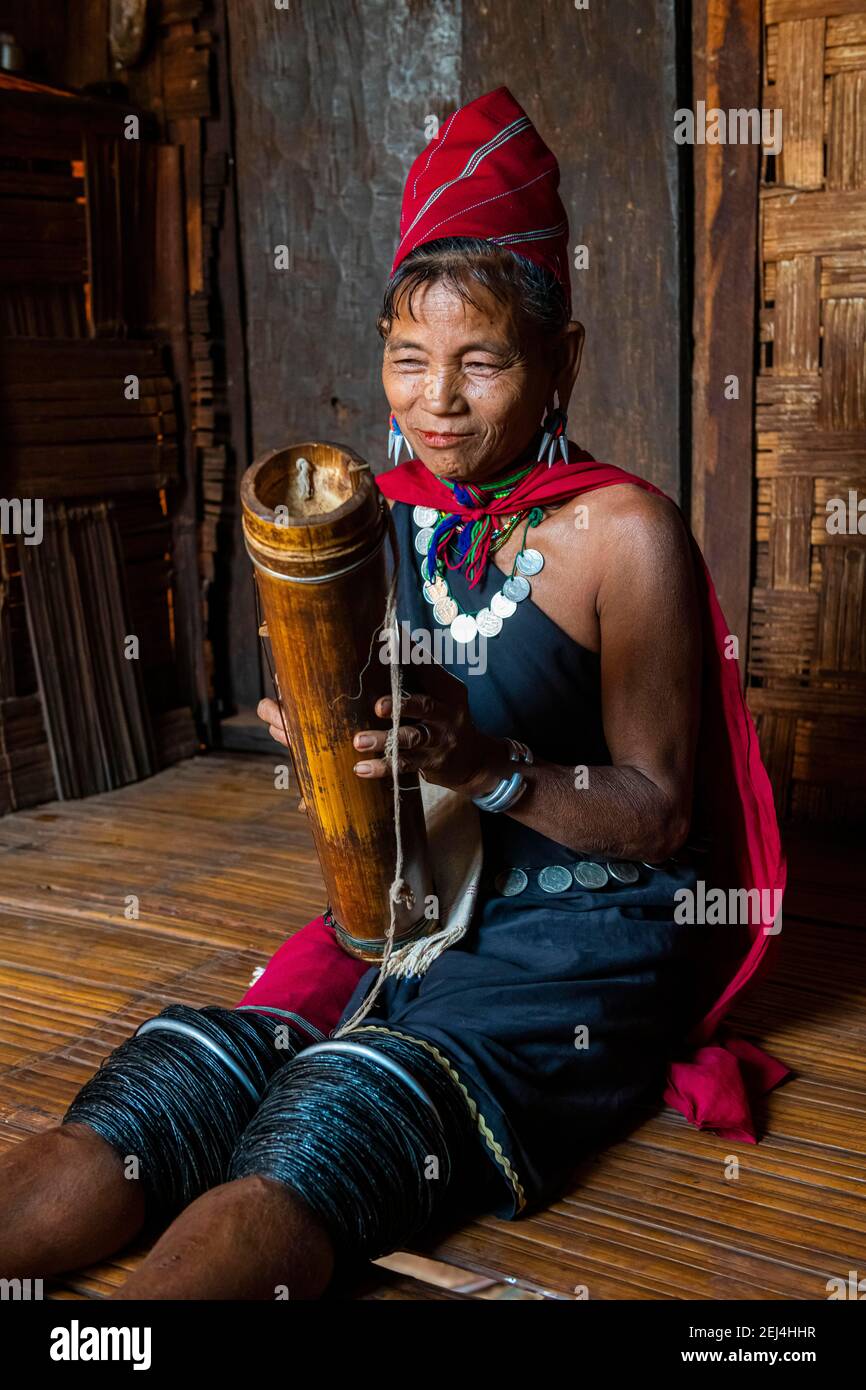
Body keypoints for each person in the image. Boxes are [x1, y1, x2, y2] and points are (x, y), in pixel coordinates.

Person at [0, 88, 787, 1300]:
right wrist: (317, 740)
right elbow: (356, 741)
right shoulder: (365, 516)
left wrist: (482, 763)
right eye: (408, 358)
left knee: (320, 1136)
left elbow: (658, 816)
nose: (438, 399)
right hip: (403, 906)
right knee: (175, 1088)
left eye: (481, 359)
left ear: (559, 360)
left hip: (570, 937)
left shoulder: (621, 532)